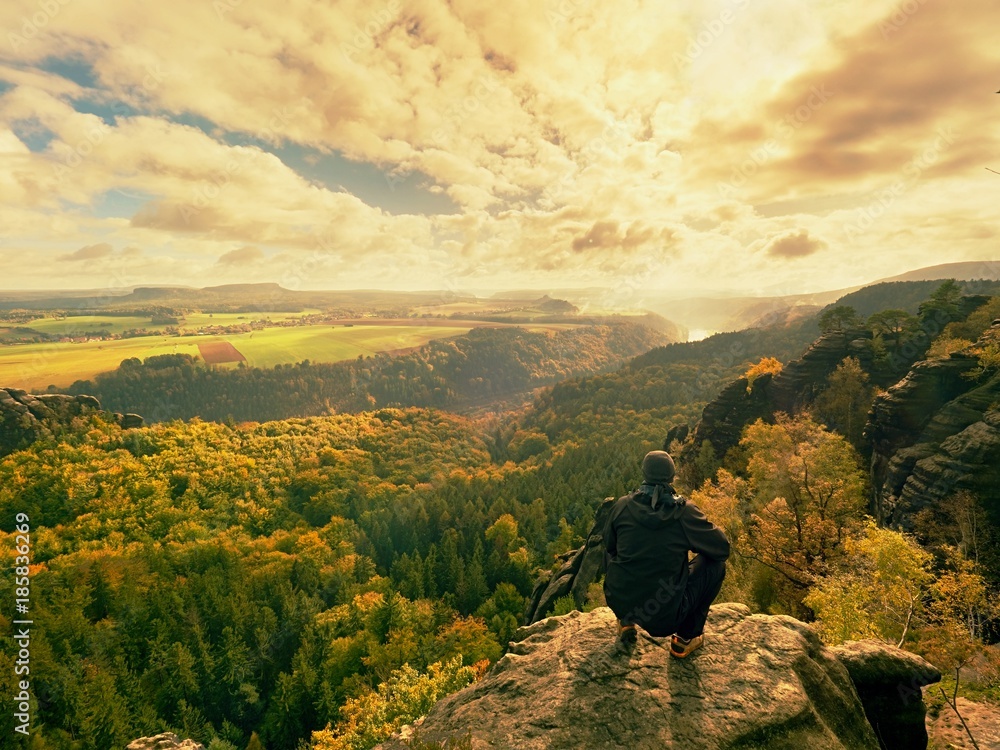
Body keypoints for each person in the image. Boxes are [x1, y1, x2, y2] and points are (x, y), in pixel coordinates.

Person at [603, 450, 729, 657]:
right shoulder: (684, 512)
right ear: (672, 476)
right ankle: (685, 639)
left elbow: (610, 547)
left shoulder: (622, 505)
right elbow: (722, 549)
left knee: (611, 547)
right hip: (663, 617)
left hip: (621, 602)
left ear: (644, 473)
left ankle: (626, 621)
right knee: (715, 565)